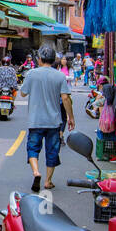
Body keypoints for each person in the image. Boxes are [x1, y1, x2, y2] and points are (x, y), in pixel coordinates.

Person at [18, 46, 75, 193]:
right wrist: (71, 117)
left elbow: (23, 93)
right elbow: (65, 98)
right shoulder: (60, 76)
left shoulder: (31, 74)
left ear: (40, 59)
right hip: (54, 121)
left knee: (33, 148)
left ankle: (36, 171)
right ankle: (48, 181)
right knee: (52, 151)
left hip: (35, 120)